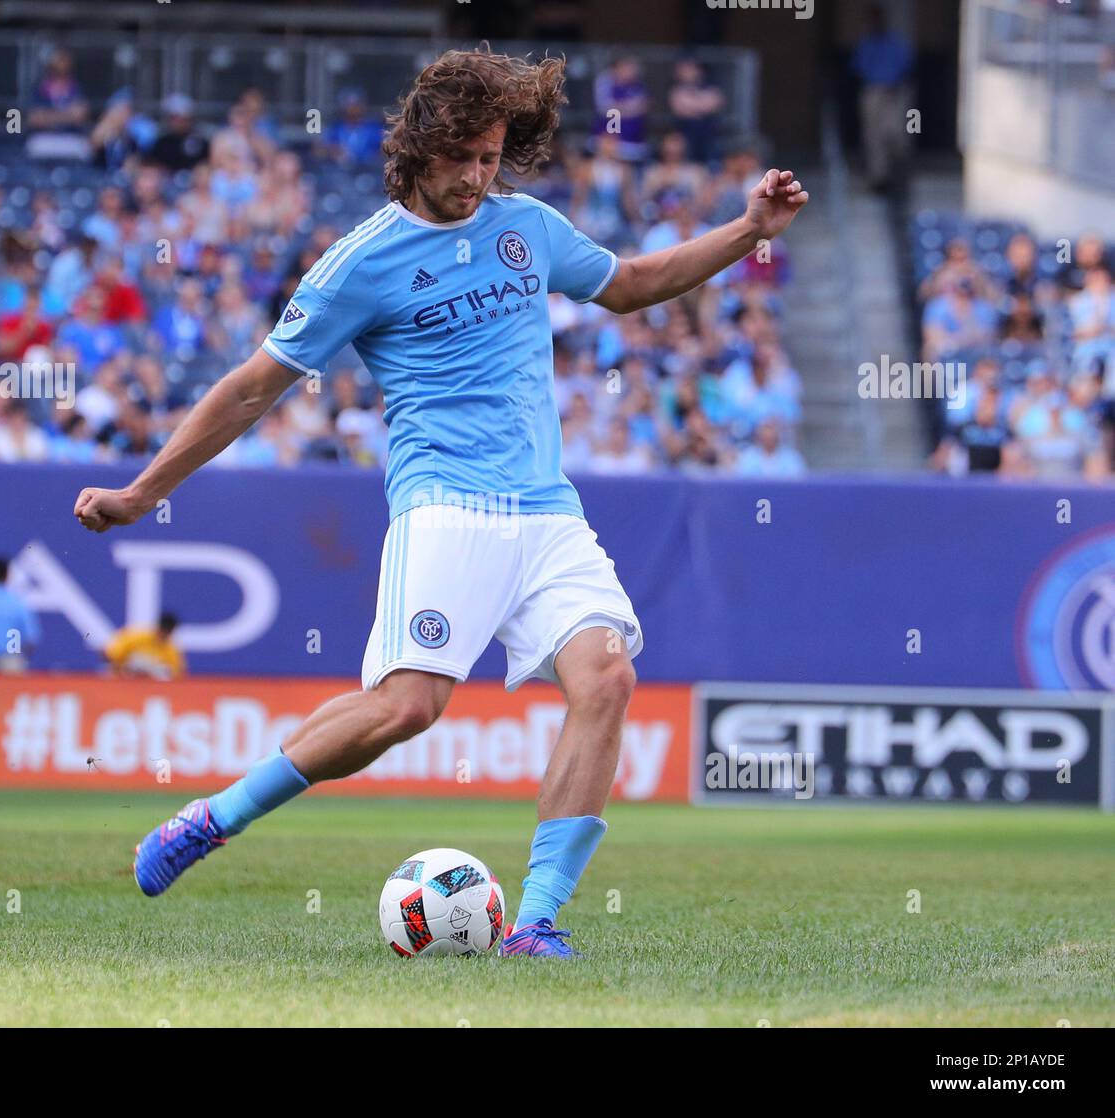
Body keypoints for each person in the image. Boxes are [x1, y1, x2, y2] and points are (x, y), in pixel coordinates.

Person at [73, 47, 808, 955]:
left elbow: (632, 285)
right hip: (445, 505)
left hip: (547, 511)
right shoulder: (362, 263)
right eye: (460, 156)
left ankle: (534, 922)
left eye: (491, 156)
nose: (475, 175)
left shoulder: (526, 228)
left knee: (608, 675)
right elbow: (252, 388)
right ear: (418, 148)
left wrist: (749, 229)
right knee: (406, 709)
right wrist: (146, 490)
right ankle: (211, 819)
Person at [852, 4, 914, 193]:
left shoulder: (895, 42)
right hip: (872, 93)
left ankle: (898, 175)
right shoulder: (866, 43)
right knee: (873, 137)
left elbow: (907, 63)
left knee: (896, 136)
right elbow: (857, 67)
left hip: (894, 93)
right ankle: (878, 179)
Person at [103, 612, 186, 679]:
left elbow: (177, 675)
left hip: (152, 690)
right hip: (123, 683)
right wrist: (129, 667)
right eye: (163, 630)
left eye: (168, 632)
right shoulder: (134, 637)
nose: (164, 635)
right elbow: (109, 656)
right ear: (158, 627)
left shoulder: (171, 650)